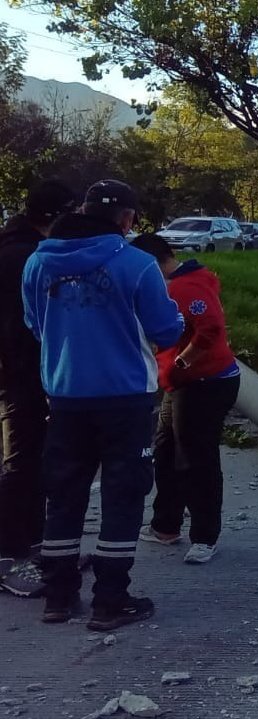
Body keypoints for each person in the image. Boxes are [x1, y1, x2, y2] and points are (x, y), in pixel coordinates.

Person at [22, 180, 184, 629]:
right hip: (125, 398)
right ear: (127, 219)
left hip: (65, 395)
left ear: (84, 210)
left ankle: (58, 597)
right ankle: (110, 601)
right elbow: (166, 330)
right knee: (123, 495)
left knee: (64, 494)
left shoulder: (38, 262)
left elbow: (35, 324)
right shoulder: (137, 264)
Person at [131, 233, 240, 565]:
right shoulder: (185, 281)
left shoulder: (185, 287)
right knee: (166, 450)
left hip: (204, 383)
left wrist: (181, 362)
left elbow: (211, 330)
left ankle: (205, 536)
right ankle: (166, 525)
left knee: (196, 459)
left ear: (152, 264)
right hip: (181, 383)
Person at [0, 180, 77, 597]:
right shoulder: (25, 257)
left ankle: (33, 544)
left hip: (22, 370)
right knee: (22, 460)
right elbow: (26, 323)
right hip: (19, 372)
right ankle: (8, 555)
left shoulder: (17, 247)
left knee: (33, 460)